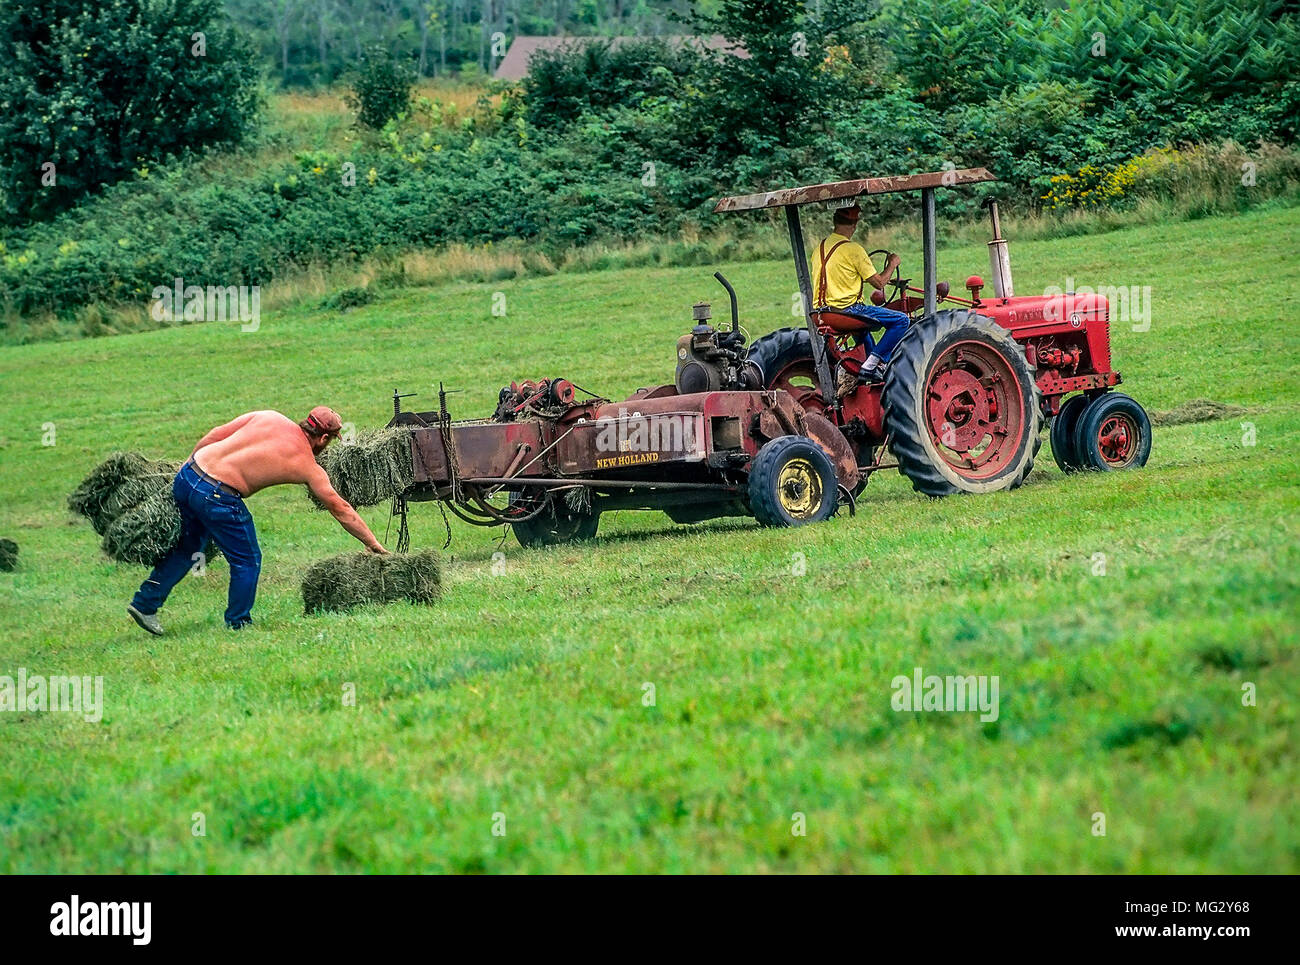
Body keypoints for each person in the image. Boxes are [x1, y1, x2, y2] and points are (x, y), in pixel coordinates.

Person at [126, 407, 388, 635]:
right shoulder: (307, 465)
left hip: (188, 475)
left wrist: (188, 465)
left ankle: (144, 605)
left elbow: (215, 434)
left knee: (189, 550)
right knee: (247, 560)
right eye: (329, 441)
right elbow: (340, 508)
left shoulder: (269, 417)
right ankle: (238, 623)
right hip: (218, 496)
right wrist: (372, 542)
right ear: (322, 438)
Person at [810, 204, 911, 392]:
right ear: (854, 225)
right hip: (847, 311)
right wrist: (892, 264)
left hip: (821, 314)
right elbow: (879, 283)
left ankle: (869, 365)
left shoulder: (819, 249)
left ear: (834, 222)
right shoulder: (853, 250)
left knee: (863, 331)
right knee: (901, 320)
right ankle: (871, 365)